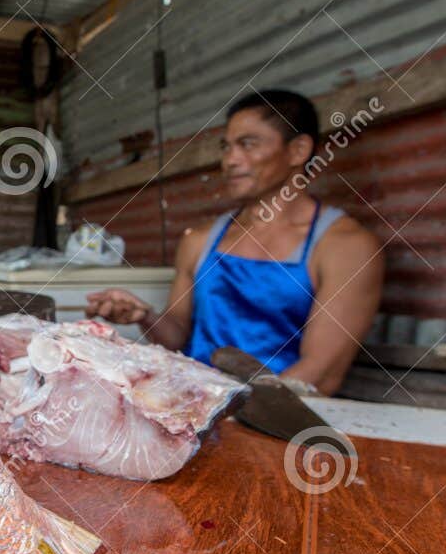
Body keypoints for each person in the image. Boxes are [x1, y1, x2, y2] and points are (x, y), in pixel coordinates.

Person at [85, 89, 382, 395]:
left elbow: (320, 372)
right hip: (194, 404)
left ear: (298, 150)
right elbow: (177, 337)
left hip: (279, 413)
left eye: (248, 144)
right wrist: (145, 315)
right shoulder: (200, 240)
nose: (230, 160)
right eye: (226, 147)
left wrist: (232, 414)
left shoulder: (345, 247)